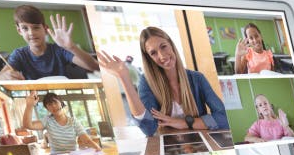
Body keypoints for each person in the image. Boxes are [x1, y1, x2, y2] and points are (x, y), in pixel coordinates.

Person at [98, 27, 229, 137]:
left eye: (163, 47)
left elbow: (223, 118)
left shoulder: (197, 78)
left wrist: (185, 122)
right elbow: (149, 128)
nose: (162, 56)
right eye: (153, 53)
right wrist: (124, 78)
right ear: (149, 58)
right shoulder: (147, 82)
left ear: (171, 45)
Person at [0, 5, 99, 80]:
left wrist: (71, 47)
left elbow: (94, 66)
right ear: (19, 31)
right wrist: (1, 76)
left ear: (45, 28)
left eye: (36, 27)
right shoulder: (19, 54)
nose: (31, 33)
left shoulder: (59, 49)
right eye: (25, 28)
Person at [21, 91, 100, 154]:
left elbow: (87, 141)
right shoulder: (47, 120)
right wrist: (29, 105)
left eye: (55, 102)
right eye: (50, 104)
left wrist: (98, 150)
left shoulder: (73, 121)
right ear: (47, 109)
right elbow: (28, 125)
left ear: (61, 103)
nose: (54, 106)